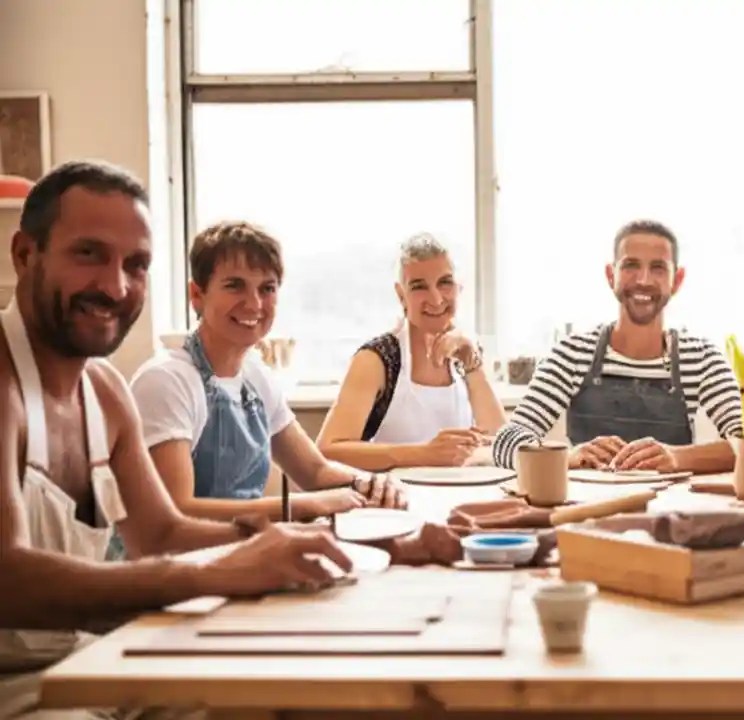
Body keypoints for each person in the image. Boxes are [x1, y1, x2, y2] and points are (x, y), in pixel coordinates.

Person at [0, 161, 355, 719]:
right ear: (25, 254)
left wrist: (302, 543)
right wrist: (218, 570)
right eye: (88, 254)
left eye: (135, 265)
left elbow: (161, 532)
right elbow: (9, 580)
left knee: (285, 698)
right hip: (19, 690)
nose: (114, 287)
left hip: (85, 660)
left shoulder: (105, 391)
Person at [128, 221, 406, 525]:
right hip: (182, 554)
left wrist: (369, 483)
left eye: (267, 288)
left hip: (244, 544)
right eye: (234, 285)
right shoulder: (166, 381)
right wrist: (305, 506)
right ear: (197, 294)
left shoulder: (256, 375)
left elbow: (315, 471)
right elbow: (178, 513)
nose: (254, 304)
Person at [491, 220, 743, 473]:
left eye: (658, 268)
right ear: (611, 275)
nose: (643, 280)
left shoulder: (702, 359)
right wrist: (568, 457)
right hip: (586, 499)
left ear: (676, 280)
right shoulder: (573, 354)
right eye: (631, 265)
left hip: (672, 500)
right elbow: (506, 441)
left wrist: (678, 457)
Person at [317, 233, 502, 470]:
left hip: (463, 491)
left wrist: (472, 362)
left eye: (445, 282)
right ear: (401, 295)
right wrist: (424, 454)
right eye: (419, 287)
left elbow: (502, 444)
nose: (436, 299)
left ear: (459, 287)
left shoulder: (467, 354)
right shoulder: (377, 359)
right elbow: (328, 450)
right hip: (396, 493)